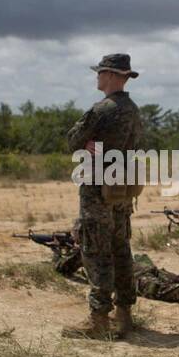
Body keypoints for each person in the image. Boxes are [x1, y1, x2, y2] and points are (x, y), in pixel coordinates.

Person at [62, 54, 144, 338]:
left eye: (100, 72)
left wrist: (88, 144)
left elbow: (73, 140)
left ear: (110, 75)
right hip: (122, 188)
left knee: (95, 251)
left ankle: (98, 321)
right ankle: (124, 315)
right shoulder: (133, 110)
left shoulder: (102, 110)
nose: (97, 77)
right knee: (121, 249)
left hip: (97, 188)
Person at [51, 228, 179, 311]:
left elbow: (63, 268)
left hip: (134, 277)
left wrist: (56, 251)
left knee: (167, 291)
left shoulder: (85, 251)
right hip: (147, 267)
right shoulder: (110, 240)